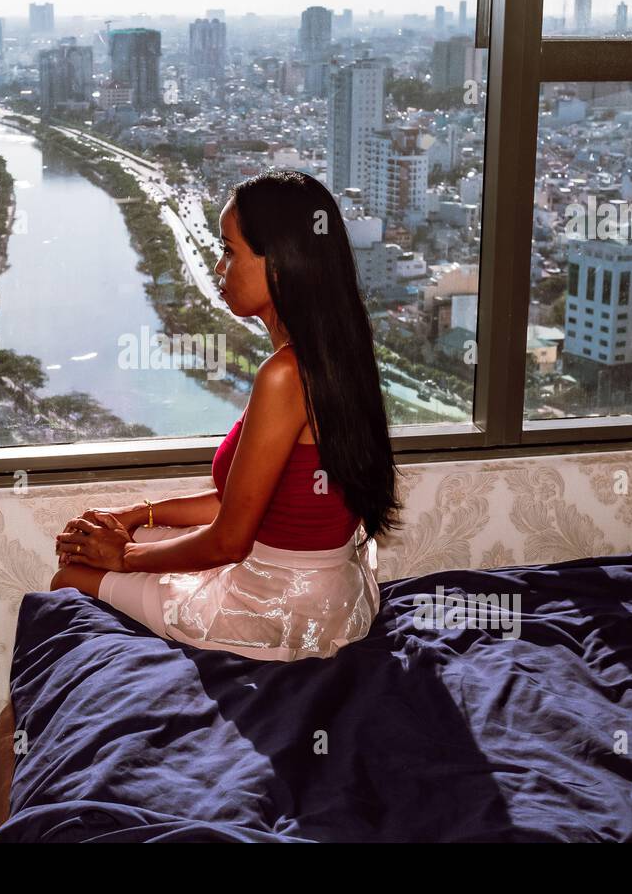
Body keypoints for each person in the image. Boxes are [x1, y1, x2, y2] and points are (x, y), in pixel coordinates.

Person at [52, 169, 402, 661]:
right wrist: (136, 517)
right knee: (120, 541)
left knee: (70, 576)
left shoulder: (284, 374)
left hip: (284, 606)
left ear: (278, 263)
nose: (219, 267)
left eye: (230, 250)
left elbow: (230, 540)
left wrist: (125, 557)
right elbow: (240, 504)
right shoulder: (338, 351)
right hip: (332, 592)